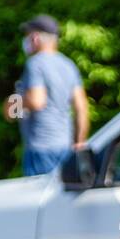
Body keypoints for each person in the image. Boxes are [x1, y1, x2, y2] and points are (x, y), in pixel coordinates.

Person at [5, 15, 89, 176]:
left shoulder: (35, 63)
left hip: (40, 148)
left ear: (35, 38)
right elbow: (81, 107)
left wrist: (10, 105)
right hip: (65, 146)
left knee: (39, 199)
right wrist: (79, 142)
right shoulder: (68, 65)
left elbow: (37, 101)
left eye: (27, 36)